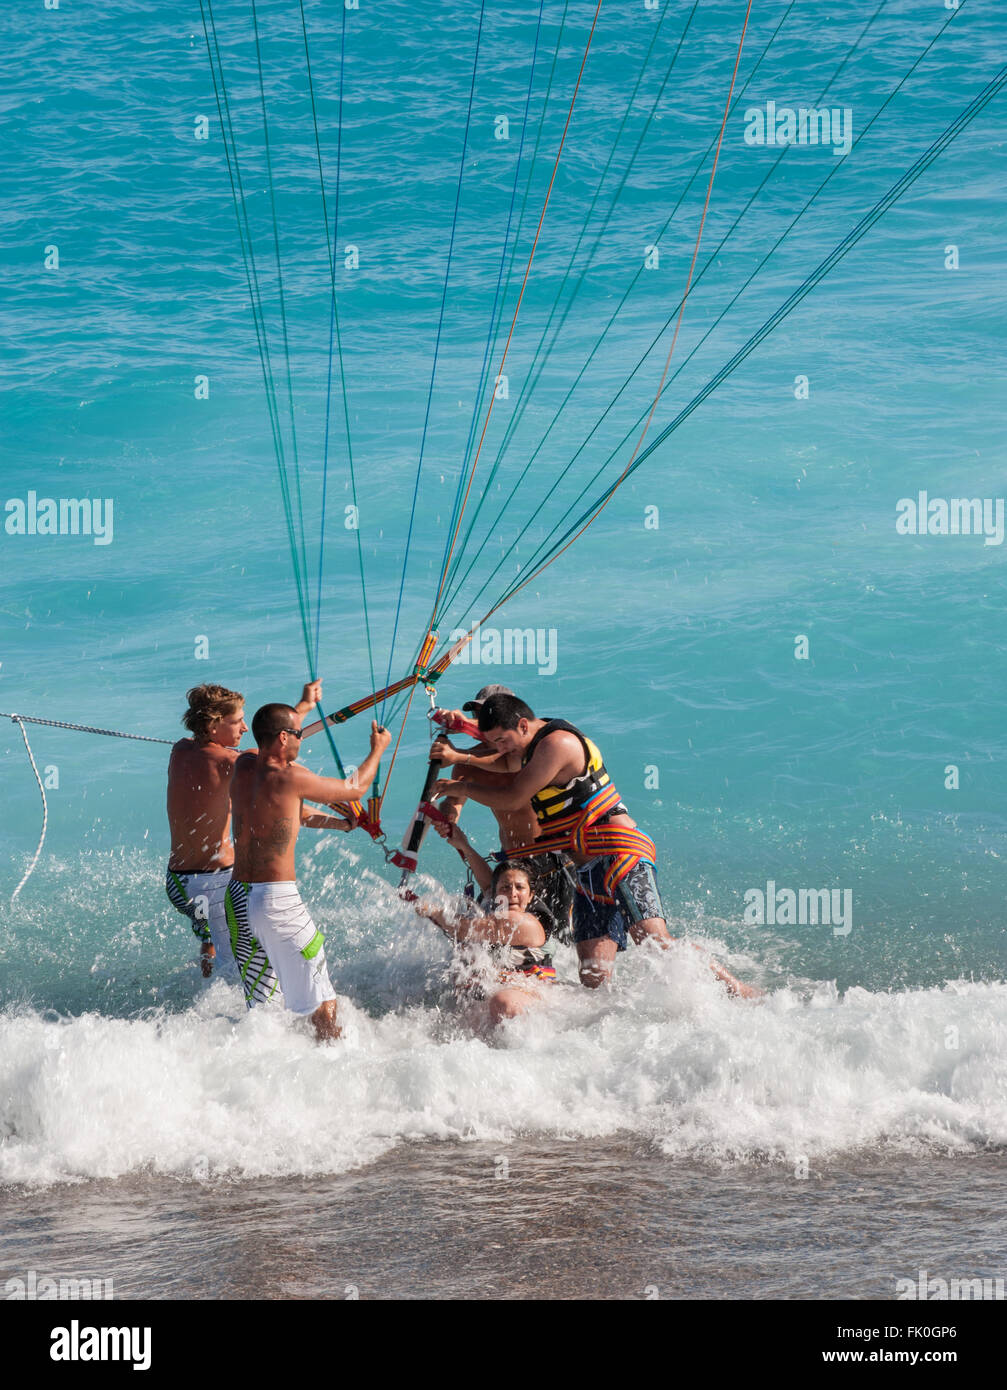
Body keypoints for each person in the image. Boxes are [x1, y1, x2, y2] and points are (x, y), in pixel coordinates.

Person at [438, 693, 759, 997]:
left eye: (502, 742)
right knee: (592, 975)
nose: (499, 750)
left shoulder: (557, 743)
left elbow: (514, 796)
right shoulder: (528, 749)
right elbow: (499, 763)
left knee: (654, 942)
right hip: (587, 871)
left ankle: (739, 991)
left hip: (619, 853)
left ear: (523, 725)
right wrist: (457, 754)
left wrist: (458, 785)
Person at [226, 703, 391, 1040]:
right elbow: (355, 787)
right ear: (283, 738)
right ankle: (337, 1065)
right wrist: (377, 750)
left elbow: (292, 814)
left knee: (264, 1010)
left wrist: (340, 824)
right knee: (322, 1001)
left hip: (238, 899)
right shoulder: (291, 777)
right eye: (298, 734)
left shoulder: (243, 766)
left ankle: (264, 1073)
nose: (302, 740)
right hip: (277, 902)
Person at [166, 679, 322, 978]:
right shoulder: (231, 762)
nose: (244, 728)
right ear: (213, 727)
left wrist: (303, 707)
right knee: (239, 965)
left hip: (178, 884)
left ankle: (205, 982)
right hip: (210, 885)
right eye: (237, 721)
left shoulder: (180, 749)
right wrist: (341, 823)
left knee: (213, 940)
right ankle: (225, 1020)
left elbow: (274, 741)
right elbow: (278, 769)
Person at [430, 684, 575, 941]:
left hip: (552, 859)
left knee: (562, 941)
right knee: (488, 937)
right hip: (511, 865)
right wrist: (446, 817)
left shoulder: (530, 754)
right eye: (480, 716)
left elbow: (509, 767)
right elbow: (453, 803)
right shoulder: (466, 763)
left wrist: (461, 727)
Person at [415, 850, 556, 1029]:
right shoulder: (492, 910)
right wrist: (461, 843)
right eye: (505, 888)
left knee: (503, 1002)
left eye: (519, 888)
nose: (512, 893)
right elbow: (485, 884)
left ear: (530, 896)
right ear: (495, 894)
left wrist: (434, 911)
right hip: (497, 987)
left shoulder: (525, 923)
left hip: (530, 992)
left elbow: (465, 928)